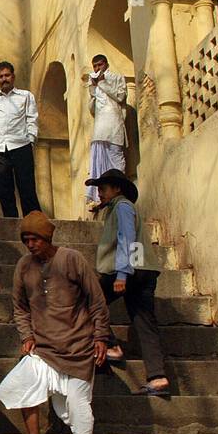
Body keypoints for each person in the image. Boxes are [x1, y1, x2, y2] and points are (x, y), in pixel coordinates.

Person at [0, 211, 110, 434]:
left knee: (78, 406)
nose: (31, 245)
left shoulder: (71, 259)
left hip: (79, 348)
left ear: (47, 238)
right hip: (44, 350)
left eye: (35, 239)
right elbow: (20, 308)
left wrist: (101, 337)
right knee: (20, 386)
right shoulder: (23, 266)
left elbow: (96, 301)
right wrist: (27, 336)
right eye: (26, 240)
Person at [86, 168, 170, 396]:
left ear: (117, 189)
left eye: (103, 189)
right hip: (145, 271)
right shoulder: (118, 209)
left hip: (131, 269)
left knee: (90, 298)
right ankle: (158, 377)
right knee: (144, 322)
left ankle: (111, 345)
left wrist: (122, 274)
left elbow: (126, 237)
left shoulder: (122, 207)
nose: (100, 194)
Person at [0, 60, 41, 218]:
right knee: (3, 190)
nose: (4, 79)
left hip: (21, 145)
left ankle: (34, 224)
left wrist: (31, 140)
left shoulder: (25, 96)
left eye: (7, 75)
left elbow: (31, 119)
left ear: (13, 77)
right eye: (0, 76)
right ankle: (11, 224)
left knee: (26, 188)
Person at [85, 54, 128, 207]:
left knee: (116, 158)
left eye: (100, 65)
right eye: (95, 66)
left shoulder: (116, 78)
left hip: (114, 124)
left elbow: (120, 96)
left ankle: (119, 191)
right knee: (99, 161)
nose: (97, 68)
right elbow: (92, 109)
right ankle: (101, 197)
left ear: (106, 64)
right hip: (100, 127)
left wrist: (102, 84)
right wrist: (93, 91)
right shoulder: (93, 84)